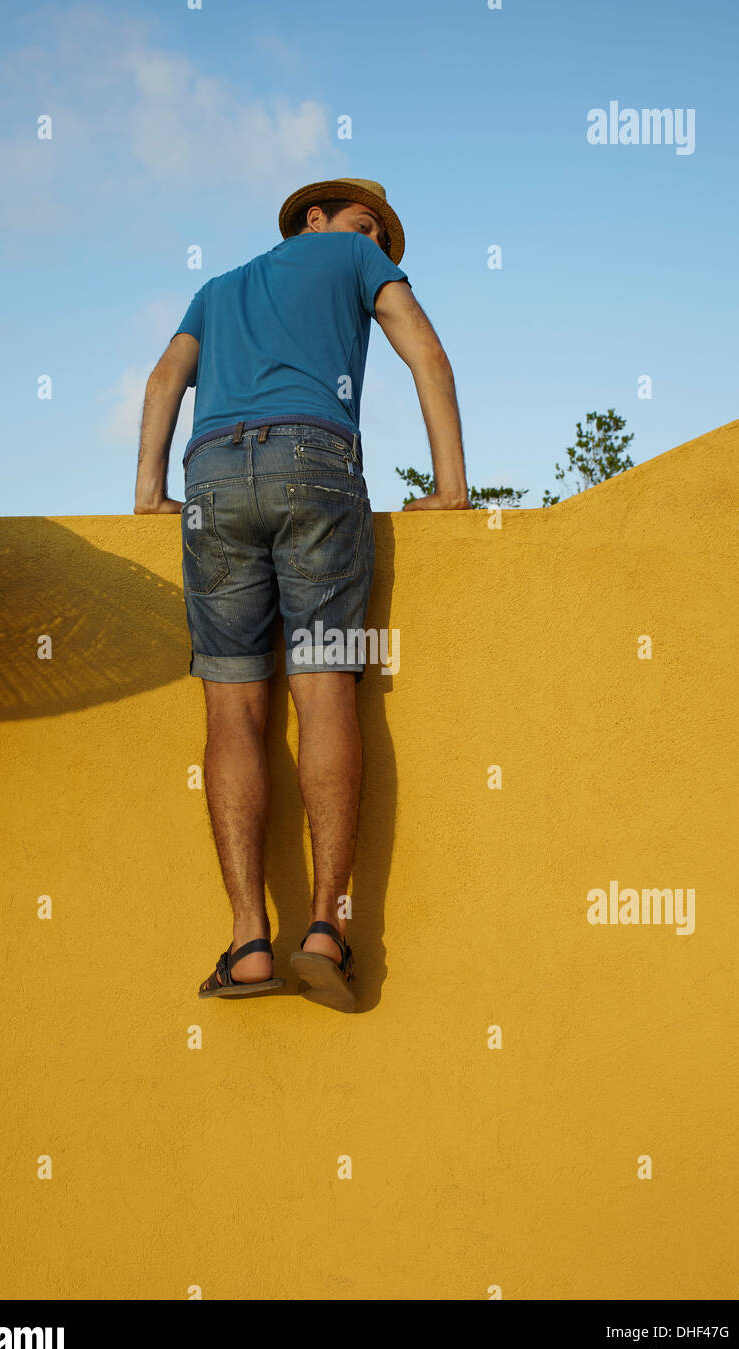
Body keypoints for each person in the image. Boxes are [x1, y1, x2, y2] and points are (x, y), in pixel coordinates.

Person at [134, 178, 468, 1011]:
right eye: (366, 224)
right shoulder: (352, 258)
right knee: (324, 694)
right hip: (314, 462)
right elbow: (426, 352)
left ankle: (250, 942)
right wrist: (452, 487)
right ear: (316, 220)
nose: (375, 240)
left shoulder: (217, 290)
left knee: (231, 710)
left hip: (211, 476)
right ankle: (325, 928)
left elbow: (165, 377)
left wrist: (147, 490)